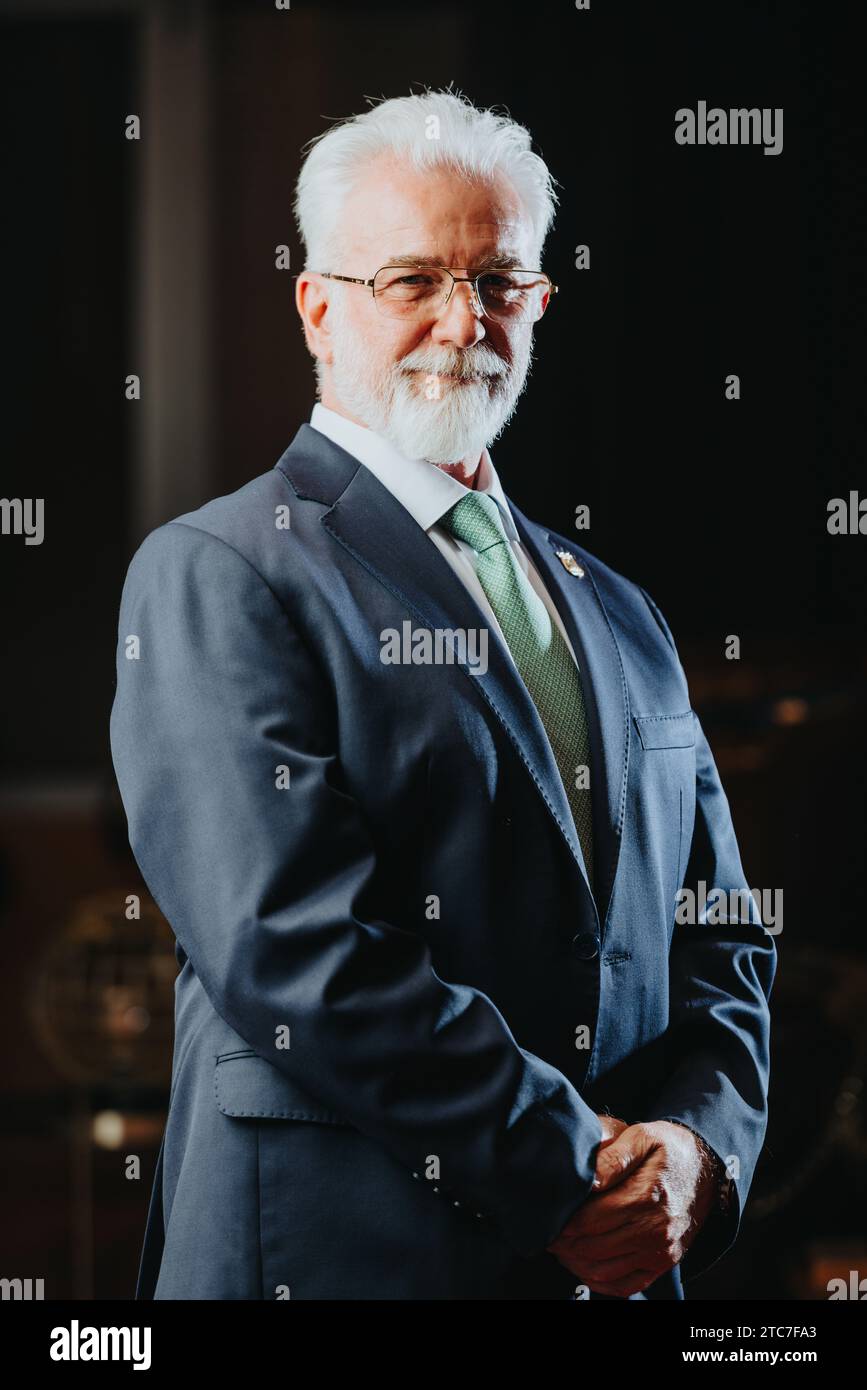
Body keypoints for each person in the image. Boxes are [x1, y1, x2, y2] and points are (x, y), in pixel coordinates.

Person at [110, 89, 776, 1300]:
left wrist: (696, 1156)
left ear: (540, 303)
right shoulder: (223, 571)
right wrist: (573, 1172)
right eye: (411, 280)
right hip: (335, 1264)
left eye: (500, 282)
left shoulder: (620, 607)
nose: (462, 321)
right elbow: (297, 954)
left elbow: (725, 938)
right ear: (319, 308)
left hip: (614, 1273)